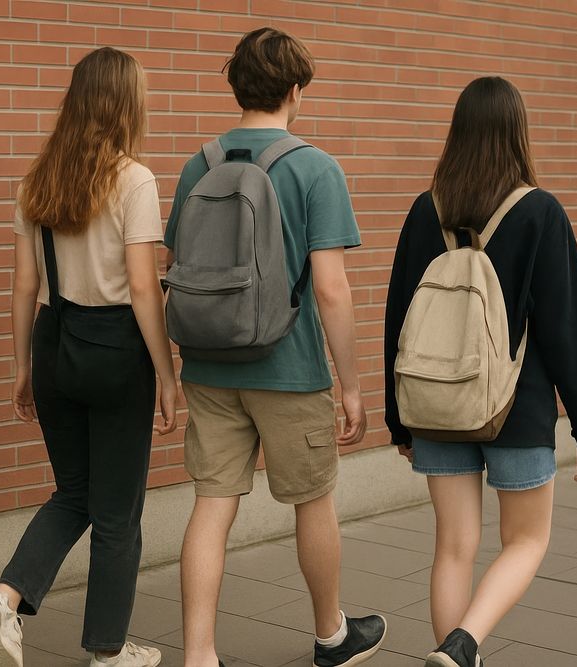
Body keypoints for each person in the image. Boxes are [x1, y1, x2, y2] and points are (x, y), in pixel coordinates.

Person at [165, 28, 387, 667]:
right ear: (294, 90)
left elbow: (176, 264)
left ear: (238, 88)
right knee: (312, 502)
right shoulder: (315, 168)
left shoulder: (199, 164)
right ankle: (332, 636)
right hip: (289, 370)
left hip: (209, 365)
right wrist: (351, 386)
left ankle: (199, 655)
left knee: (212, 505)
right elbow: (331, 289)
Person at [384, 76, 577, 667]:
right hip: (518, 407)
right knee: (526, 540)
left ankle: (454, 651)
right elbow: (567, 328)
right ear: (517, 132)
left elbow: (399, 319)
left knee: (453, 547)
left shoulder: (426, 210)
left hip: (437, 405)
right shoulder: (539, 212)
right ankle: (463, 644)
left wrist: (399, 421)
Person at [0, 47, 177, 667]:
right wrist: (166, 374)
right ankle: (108, 653)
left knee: (75, 493)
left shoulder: (37, 182)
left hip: (54, 344)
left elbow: (23, 286)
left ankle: (6, 599)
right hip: (115, 352)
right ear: (125, 103)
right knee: (117, 513)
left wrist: (22, 368)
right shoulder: (135, 180)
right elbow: (143, 288)